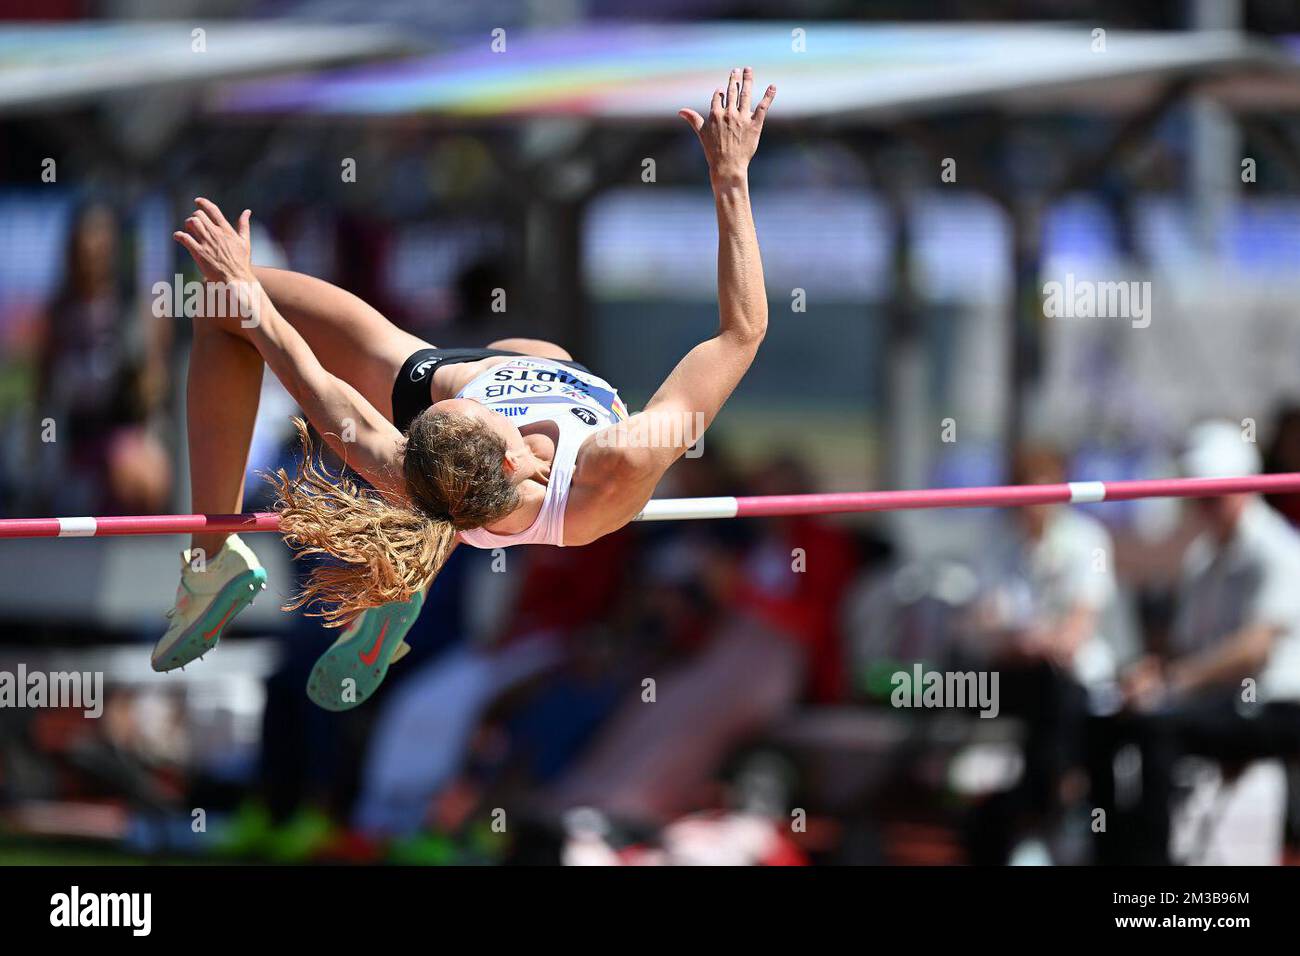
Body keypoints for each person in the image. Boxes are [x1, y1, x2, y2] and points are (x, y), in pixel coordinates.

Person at [152, 69, 778, 712]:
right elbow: (741, 334)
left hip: (416, 381)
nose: (461, 399)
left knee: (216, 305)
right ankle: (403, 579)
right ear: (512, 455)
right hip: (505, 448)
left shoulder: (410, 464)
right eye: (466, 411)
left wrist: (245, 294)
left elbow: (314, 385)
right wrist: (731, 177)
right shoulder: (619, 461)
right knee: (537, 355)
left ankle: (213, 555)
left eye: (450, 410)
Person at [1090, 420, 1300, 863]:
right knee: (1106, 718)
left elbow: (1254, 648)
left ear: (1244, 488)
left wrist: (1174, 683)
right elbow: (1184, 649)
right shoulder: (1202, 559)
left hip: (1277, 704)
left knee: (1157, 727)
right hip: (1217, 703)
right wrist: (1149, 675)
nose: (1203, 505)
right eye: (1199, 495)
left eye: (1213, 495)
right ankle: (1112, 851)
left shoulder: (1278, 549)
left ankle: (1153, 859)